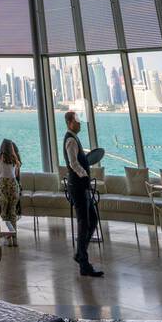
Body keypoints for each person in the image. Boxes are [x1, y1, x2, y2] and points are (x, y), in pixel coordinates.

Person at [64, 112, 102, 277]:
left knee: (91, 219)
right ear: (70, 123)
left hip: (81, 186)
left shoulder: (74, 138)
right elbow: (73, 163)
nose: (80, 124)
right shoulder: (71, 140)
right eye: (77, 122)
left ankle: (81, 253)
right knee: (83, 222)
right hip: (78, 186)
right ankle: (83, 263)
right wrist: (84, 175)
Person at [0, 139, 22, 239]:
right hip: (13, 186)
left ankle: (8, 237)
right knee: (12, 212)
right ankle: (14, 238)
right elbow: (16, 174)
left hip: (3, 186)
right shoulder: (14, 159)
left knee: (4, 213)